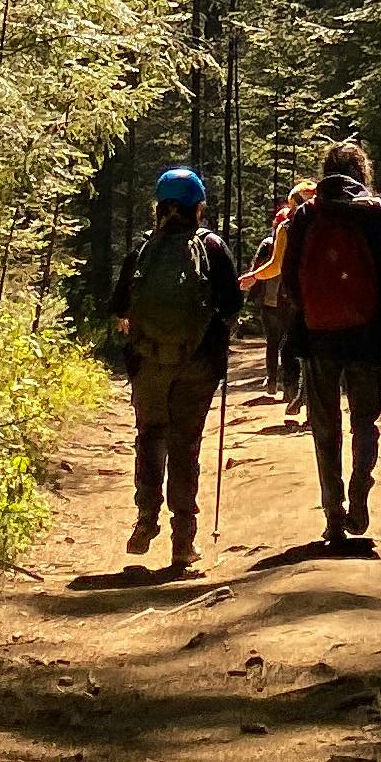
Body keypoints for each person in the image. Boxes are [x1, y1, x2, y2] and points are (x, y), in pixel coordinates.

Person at [277, 137, 381, 552]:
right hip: (367, 335)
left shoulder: (306, 216)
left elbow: (291, 280)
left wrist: (313, 310)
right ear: (362, 173)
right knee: (365, 421)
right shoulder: (375, 214)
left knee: (325, 427)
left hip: (318, 338)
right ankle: (360, 491)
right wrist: (369, 306)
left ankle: (333, 513)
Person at [111, 166, 241, 574]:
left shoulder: (143, 251)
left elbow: (118, 306)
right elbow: (233, 305)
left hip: (149, 363)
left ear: (160, 206)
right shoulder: (212, 247)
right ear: (197, 207)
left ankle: (145, 519)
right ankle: (183, 541)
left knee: (150, 436)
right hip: (197, 363)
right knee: (185, 445)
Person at [243, 175, 316, 416]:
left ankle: (297, 394)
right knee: (322, 357)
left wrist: (253, 276)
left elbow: (276, 265)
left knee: (291, 349)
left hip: (297, 300)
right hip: (327, 300)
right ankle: (312, 405)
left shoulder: (288, 228)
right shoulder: (334, 222)